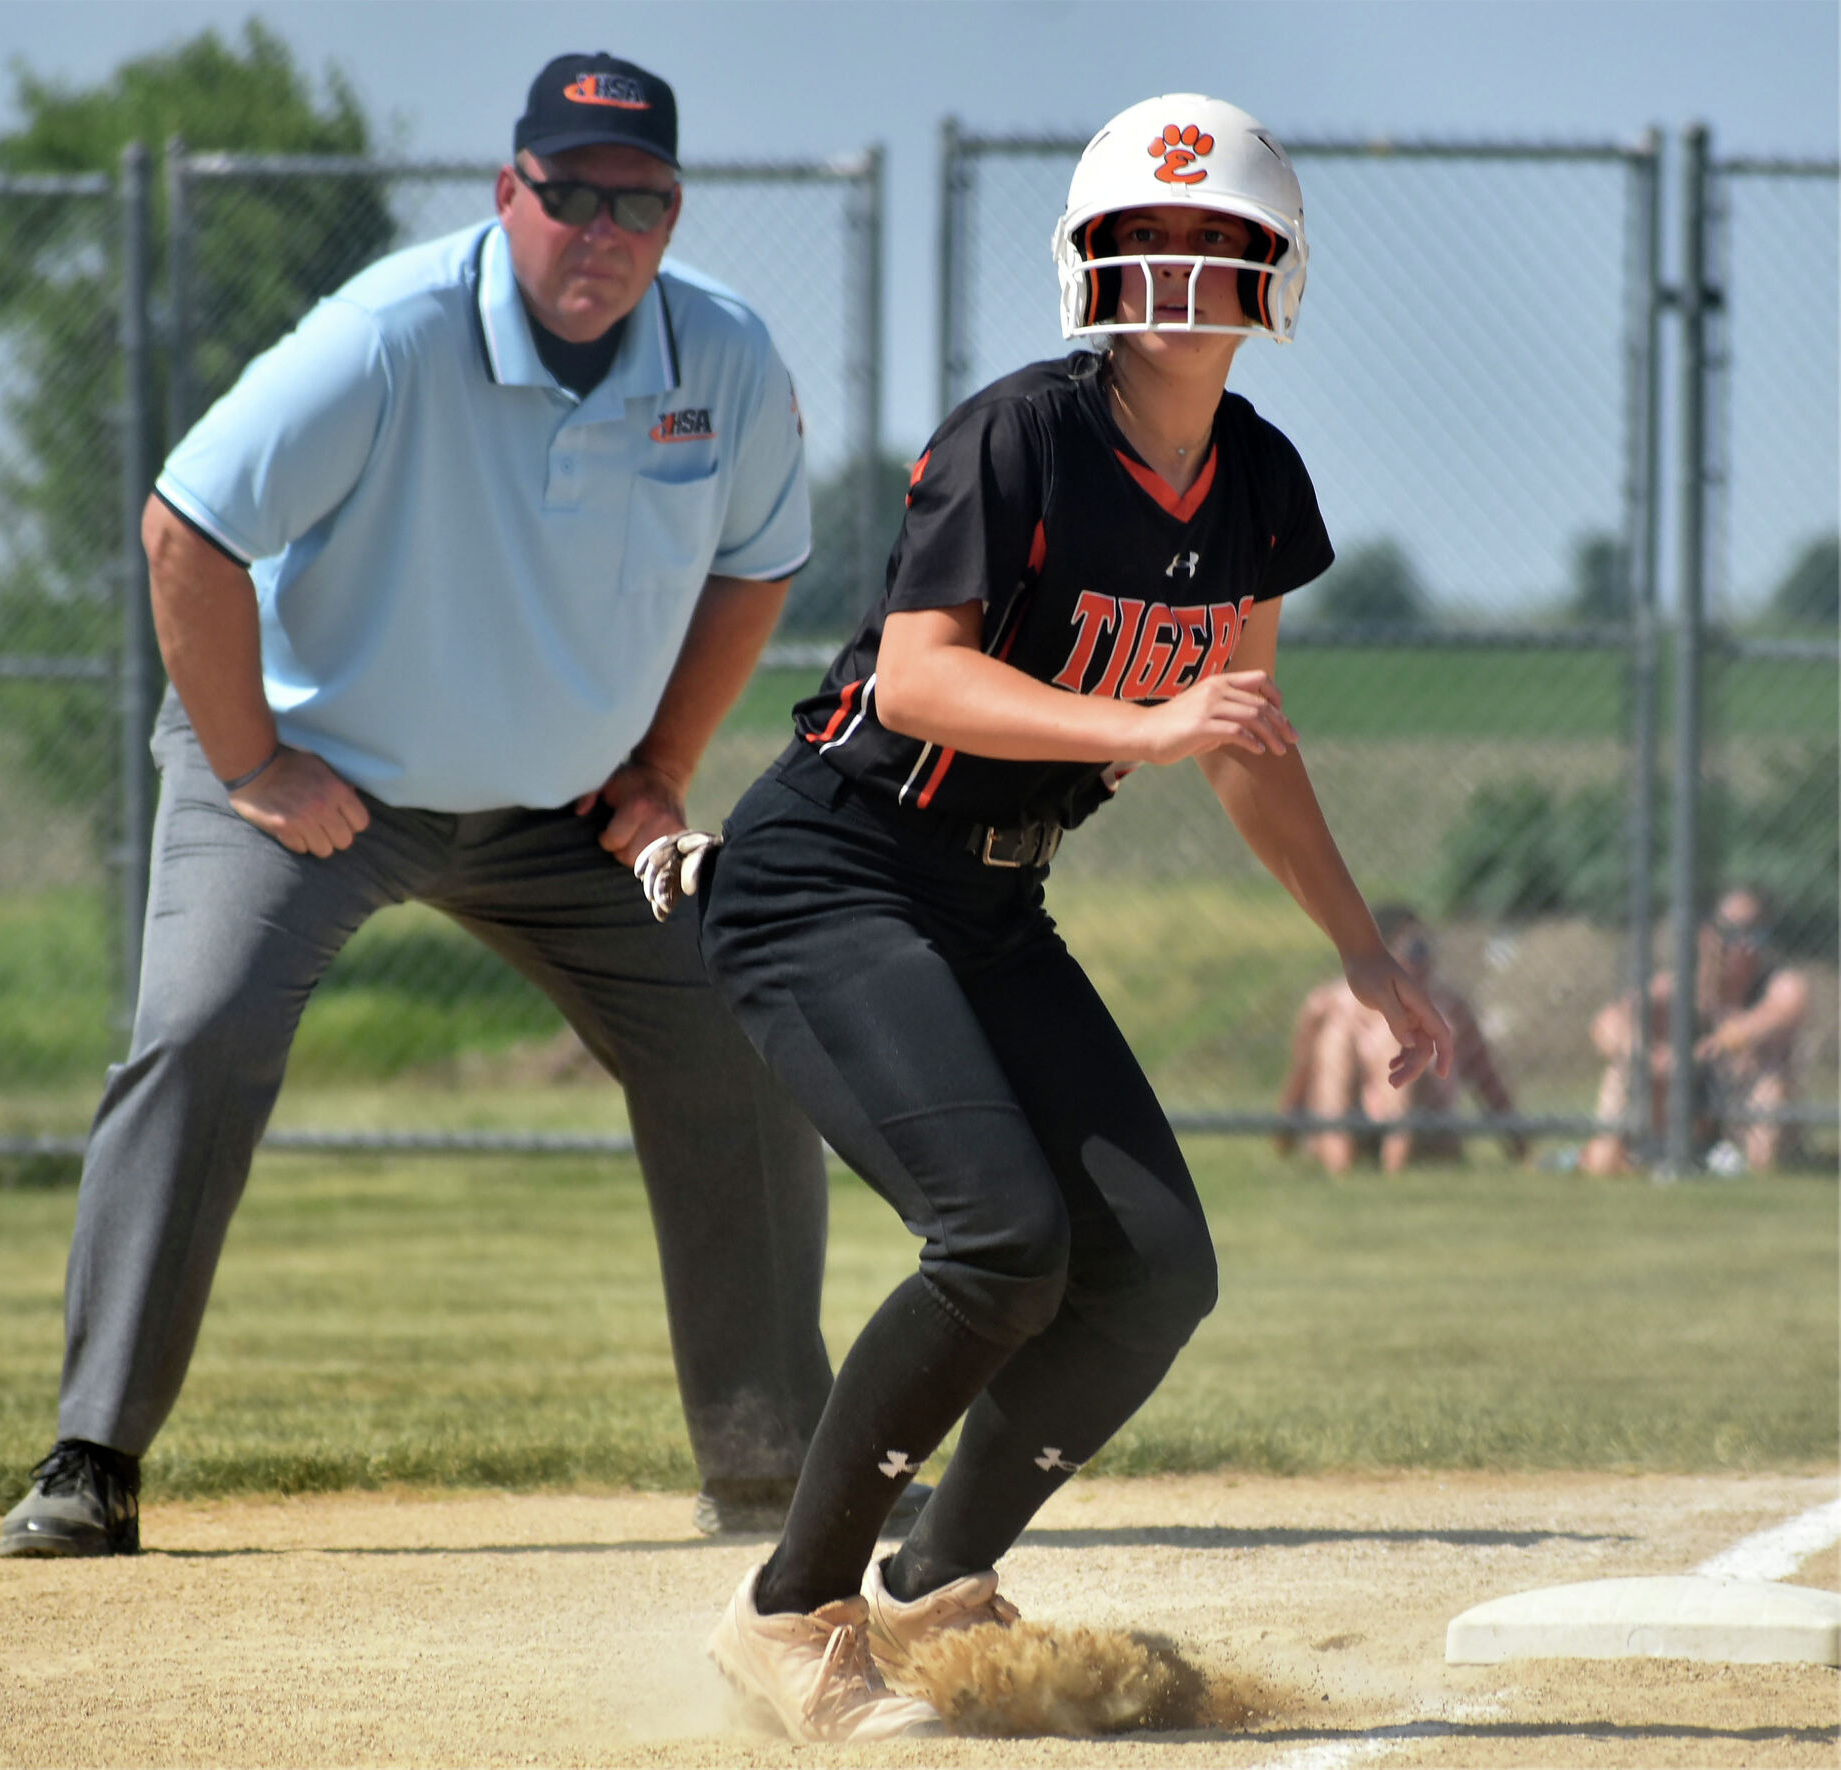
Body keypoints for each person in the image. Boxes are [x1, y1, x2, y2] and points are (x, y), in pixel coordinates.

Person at [0, 51, 921, 1557]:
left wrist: (660, 769)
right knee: (203, 1026)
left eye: (638, 201)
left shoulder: (726, 360)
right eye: (570, 194)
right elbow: (185, 529)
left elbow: (758, 566)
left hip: (561, 809)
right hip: (313, 777)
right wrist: (249, 764)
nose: (601, 229)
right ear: (509, 192)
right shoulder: (389, 337)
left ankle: (769, 1468)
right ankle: (89, 1455)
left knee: (736, 1020)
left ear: (674, 214)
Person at [635, 95, 1453, 1740]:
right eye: (1145, 239)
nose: (1178, 270)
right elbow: (919, 679)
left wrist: (1362, 951)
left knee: (1152, 1268)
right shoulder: (1021, 433)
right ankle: (789, 1610)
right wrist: (1148, 722)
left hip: (992, 900)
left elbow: (1245, 742)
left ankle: (936, 1580)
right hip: (835, 870)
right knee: (1003, 1240)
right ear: (1092, 265)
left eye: (1212, 239)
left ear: (1271, 268)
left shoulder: (1256, 483)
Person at [1274, 903, 1526, 1172]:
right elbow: (1300, 1076)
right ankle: (1339, 1162)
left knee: (1391, 1041)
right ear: (1382, 954)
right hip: (1353, 1116)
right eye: (1416, 951)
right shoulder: (1332, 1004)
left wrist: (1521, 1148)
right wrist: (1283, 1138)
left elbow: (1487, 1081)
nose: (1425, 961)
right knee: (1335, 1040)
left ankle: (1396, 1161)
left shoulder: (1448, 1008)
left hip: (1426, 1127)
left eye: (1428, 949)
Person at [1582, 887, 1810, 1175]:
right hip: (1680, 1092)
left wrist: (1716, 1045)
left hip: (1738, 1091)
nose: (1744, 946)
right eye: (1731, 934)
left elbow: (1778, 1014)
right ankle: (1628, 1153)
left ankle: (1754, 1159)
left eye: (1755, 934)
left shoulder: (1777, 983)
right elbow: (1606, 1023)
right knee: (1622, 1068)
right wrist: (1646, 1055)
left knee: (1769, 1074)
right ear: (1706, 936)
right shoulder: (1677, 987)